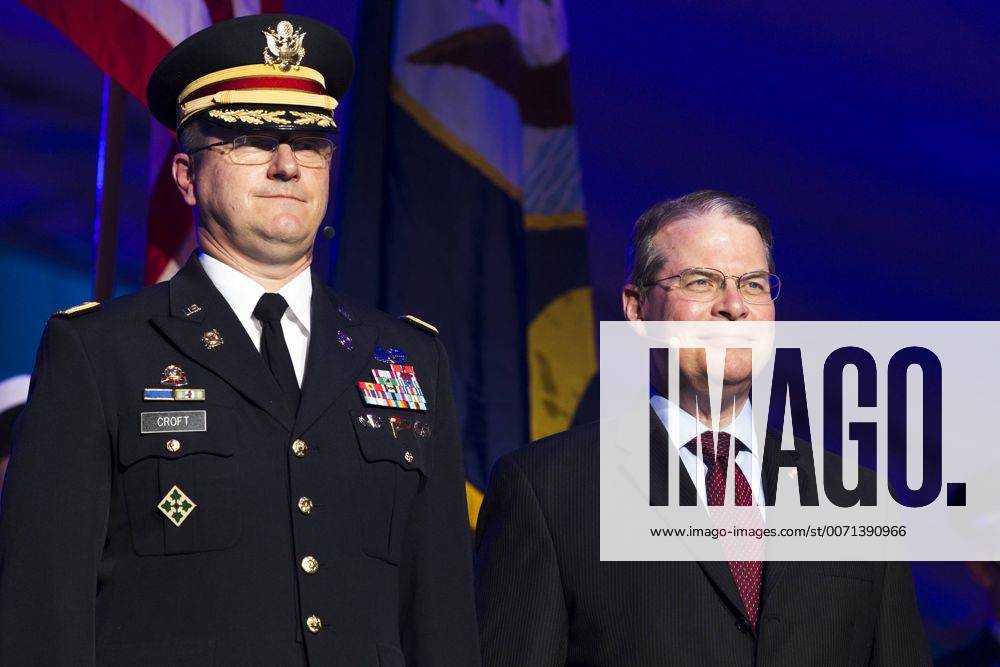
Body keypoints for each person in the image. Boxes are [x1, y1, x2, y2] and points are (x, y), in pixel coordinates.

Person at [0, 15, 478, 666]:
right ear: (185, 177)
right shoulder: (100, 353)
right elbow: (41, 620)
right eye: (252, 139)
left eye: (310, 142)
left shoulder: (410, 360)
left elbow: (442, 619)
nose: (287, 164)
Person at [475, 190, 931, 666]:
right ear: (636, 308)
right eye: (701, 282)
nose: (734, 306)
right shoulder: (545, 489)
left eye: (753, 284)